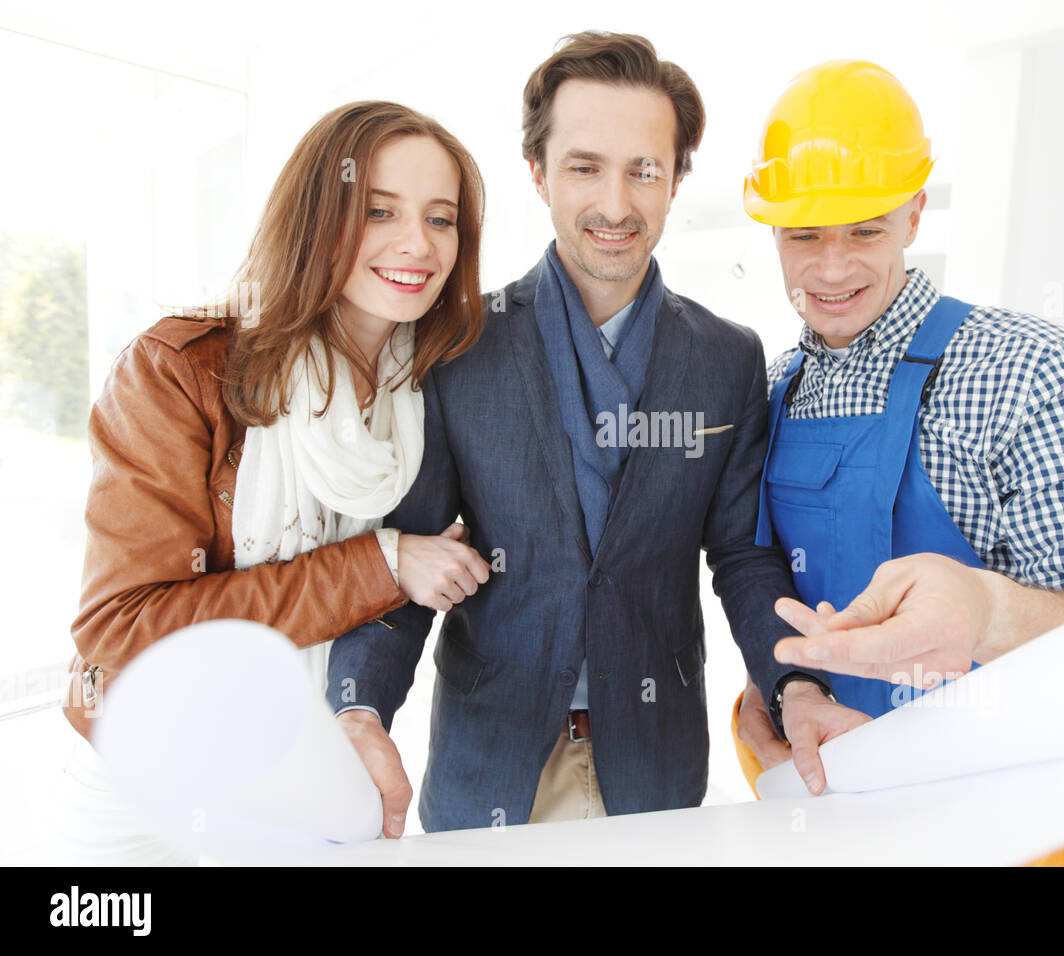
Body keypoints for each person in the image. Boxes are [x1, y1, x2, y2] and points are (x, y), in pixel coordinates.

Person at [329, 32, 864, 836]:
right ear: (538, 173)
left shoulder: (727, 358)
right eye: (585, 167)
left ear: (677, 179)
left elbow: (744, 556)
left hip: (656, 762)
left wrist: (797, 685)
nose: (616, 204)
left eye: (644, 169)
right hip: (491, 764)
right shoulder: (458, 348)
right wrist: (360, 706)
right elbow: (413, 557)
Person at [732, 61, 1064, 824]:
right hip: (820, 797)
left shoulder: (1031, 370)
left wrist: (985, 608)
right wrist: (784, 689)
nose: (832, 268)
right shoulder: (777, 388)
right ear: (773, 230)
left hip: (996, 814)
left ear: (913, 214)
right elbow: (758, 572)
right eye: (805, 234)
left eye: (866, 229)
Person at [55, 101, 490, 864]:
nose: (417, 244)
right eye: (378, 210)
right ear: (317, 217)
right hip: (151, 783)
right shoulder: (178, 369)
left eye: (442, 219)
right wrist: (382, 565)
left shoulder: (429, 382)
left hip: (304, 772)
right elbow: (123, 630)